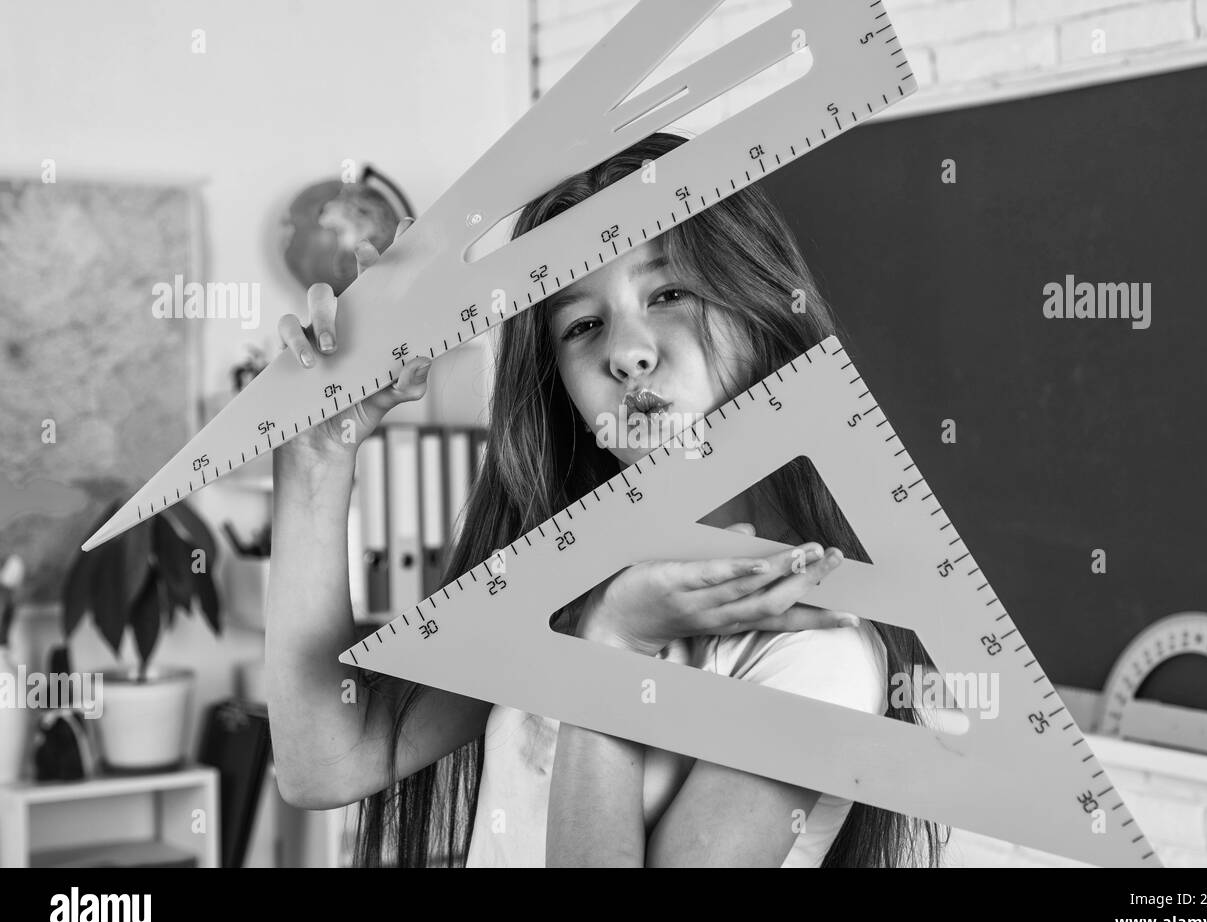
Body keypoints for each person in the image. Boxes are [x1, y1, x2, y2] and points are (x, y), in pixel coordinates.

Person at [266, 131, 948, 867]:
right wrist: (316, 457)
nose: (625, 351)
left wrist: (615, 648)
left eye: (670, 292)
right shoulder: (563, 582)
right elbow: (328, 760)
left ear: (761, 310)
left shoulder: (817, 648)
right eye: (583, 324)